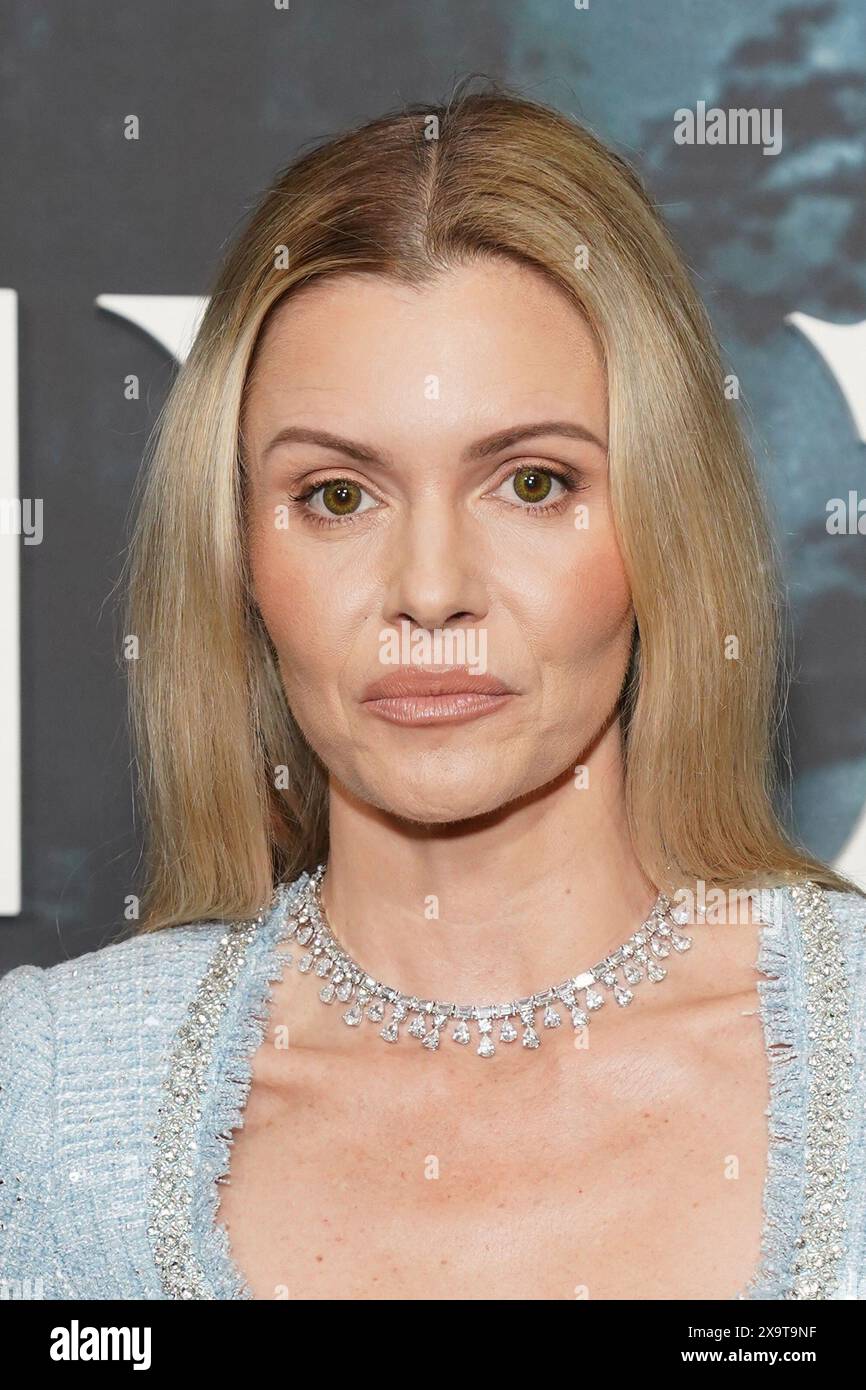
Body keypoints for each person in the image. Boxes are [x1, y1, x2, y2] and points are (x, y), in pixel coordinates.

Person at [2, 81, 864, 1302]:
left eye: (528, 483)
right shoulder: (37, 1108)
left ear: (668, 520)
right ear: (239, 550)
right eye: (337, 497)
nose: (430, 591)